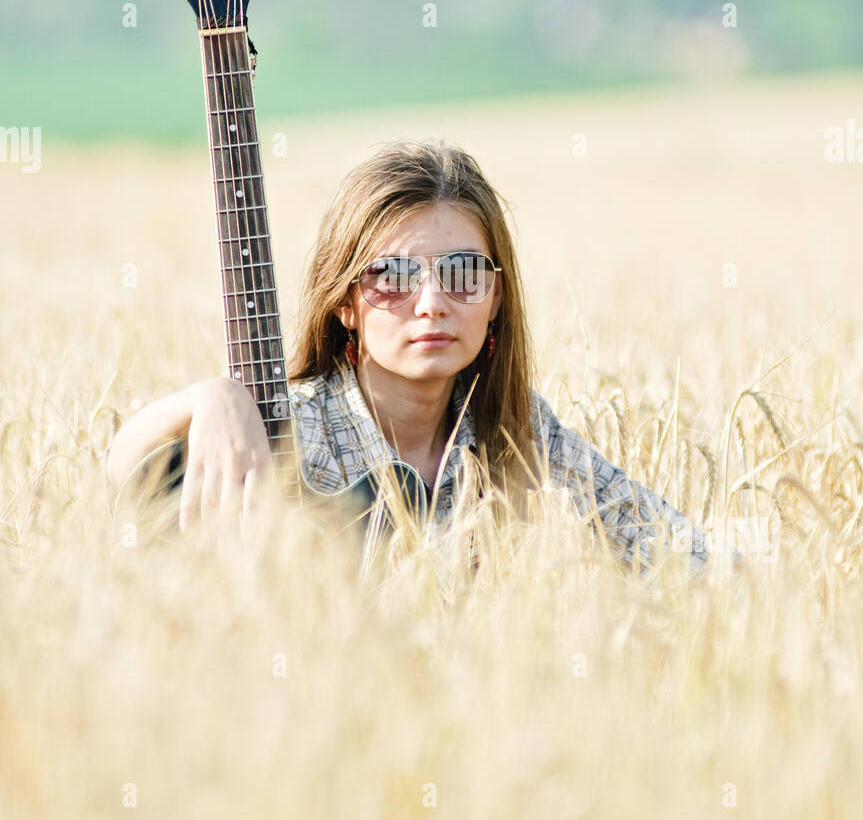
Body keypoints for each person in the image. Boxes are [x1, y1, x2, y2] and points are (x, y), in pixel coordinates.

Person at [106, 139, 719, 572]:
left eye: (462, 272)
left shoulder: (515, 432)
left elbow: (681, 556)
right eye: (392, 276)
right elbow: (122, 490)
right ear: (343, 301)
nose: (431, 302)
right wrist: (211, 397)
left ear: (497, 296)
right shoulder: (281, 429)